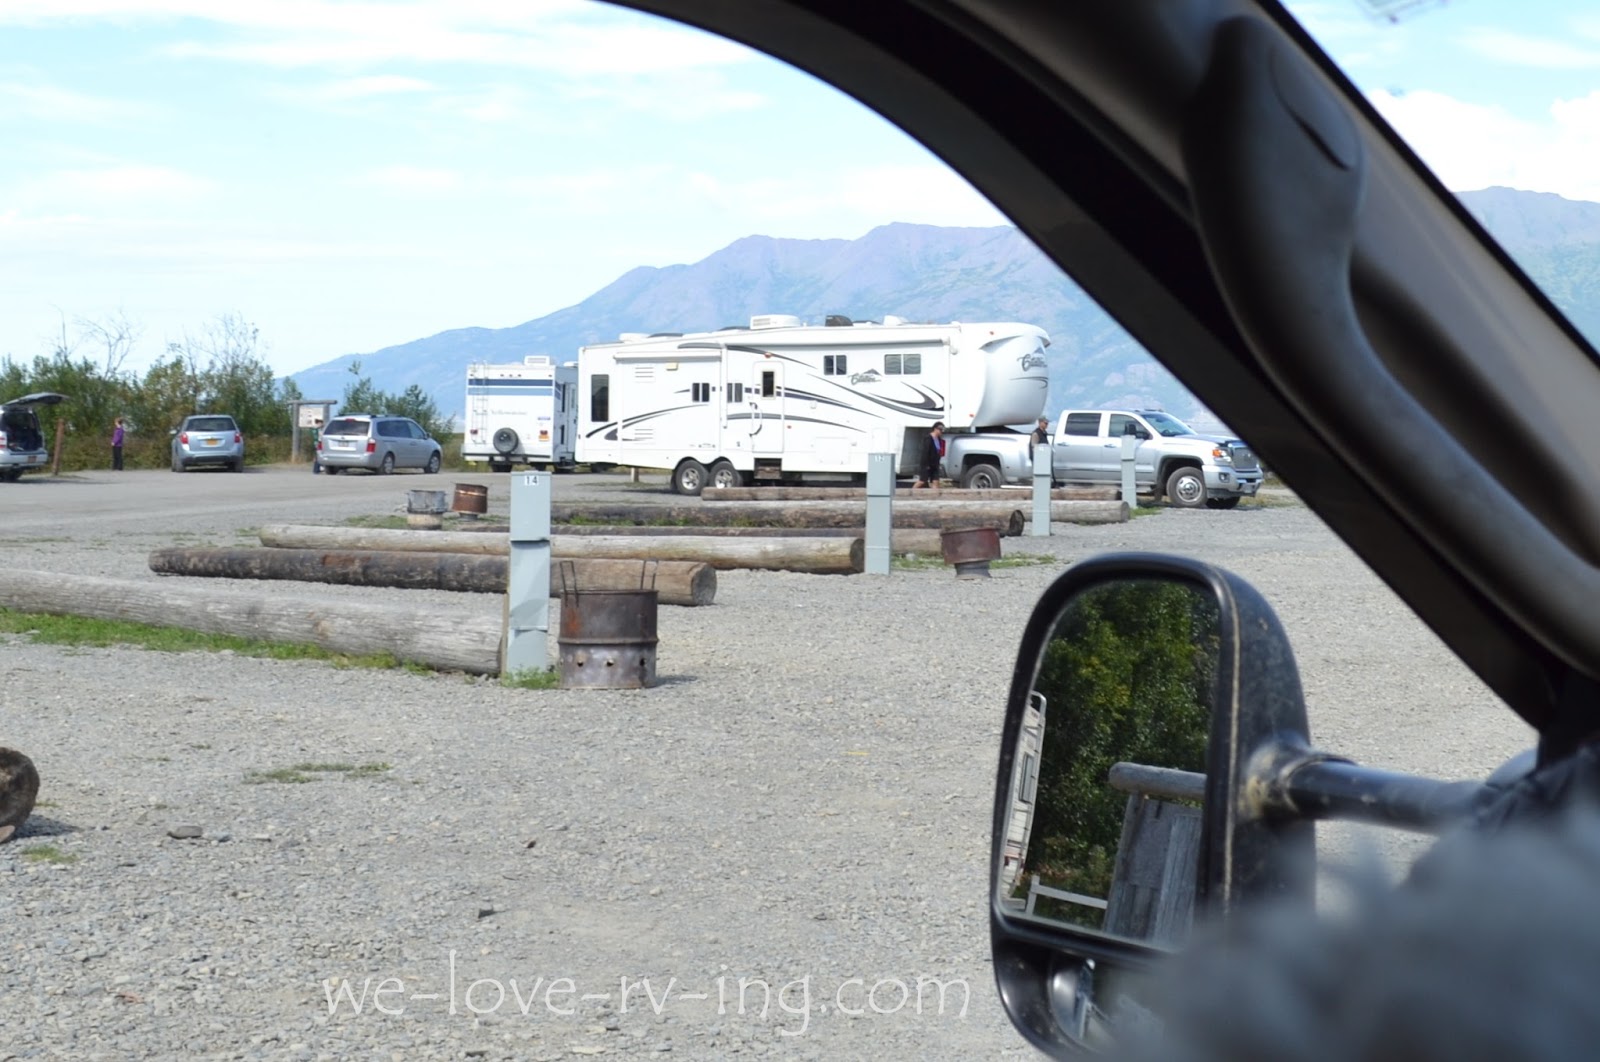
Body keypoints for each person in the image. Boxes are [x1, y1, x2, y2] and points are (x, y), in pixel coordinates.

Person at [915, 421, 945, 488]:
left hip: (935, 464)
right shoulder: (928, 438)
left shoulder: (939, 439)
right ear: (935, 429)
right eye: (940, 430)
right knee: (922, 481)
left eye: (942, 430)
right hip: (927, 464)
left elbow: (938, 451)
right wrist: (926, 464)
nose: (941, 432)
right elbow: (925, 453)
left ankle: (935, 497)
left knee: (935, 481)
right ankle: (911, 492)